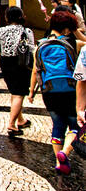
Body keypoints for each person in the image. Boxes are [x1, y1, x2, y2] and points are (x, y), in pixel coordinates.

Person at [30, 10, 80, 174]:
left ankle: (60, 164)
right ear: (67, 28)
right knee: (75, 126)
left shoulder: (39, 45)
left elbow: (36, 71)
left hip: (49, 91)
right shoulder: (72, 43)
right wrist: (76, 31)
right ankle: (64, 153)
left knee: (58, 125)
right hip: (70, 89)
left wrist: (31, 91)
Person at [0, 5, 35, 138]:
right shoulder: (26, 31)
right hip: (21, 63)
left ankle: (21, 120)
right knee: (19, 94)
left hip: (6, 62)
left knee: (14, 92)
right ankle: (11, 124)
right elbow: (31, 48)